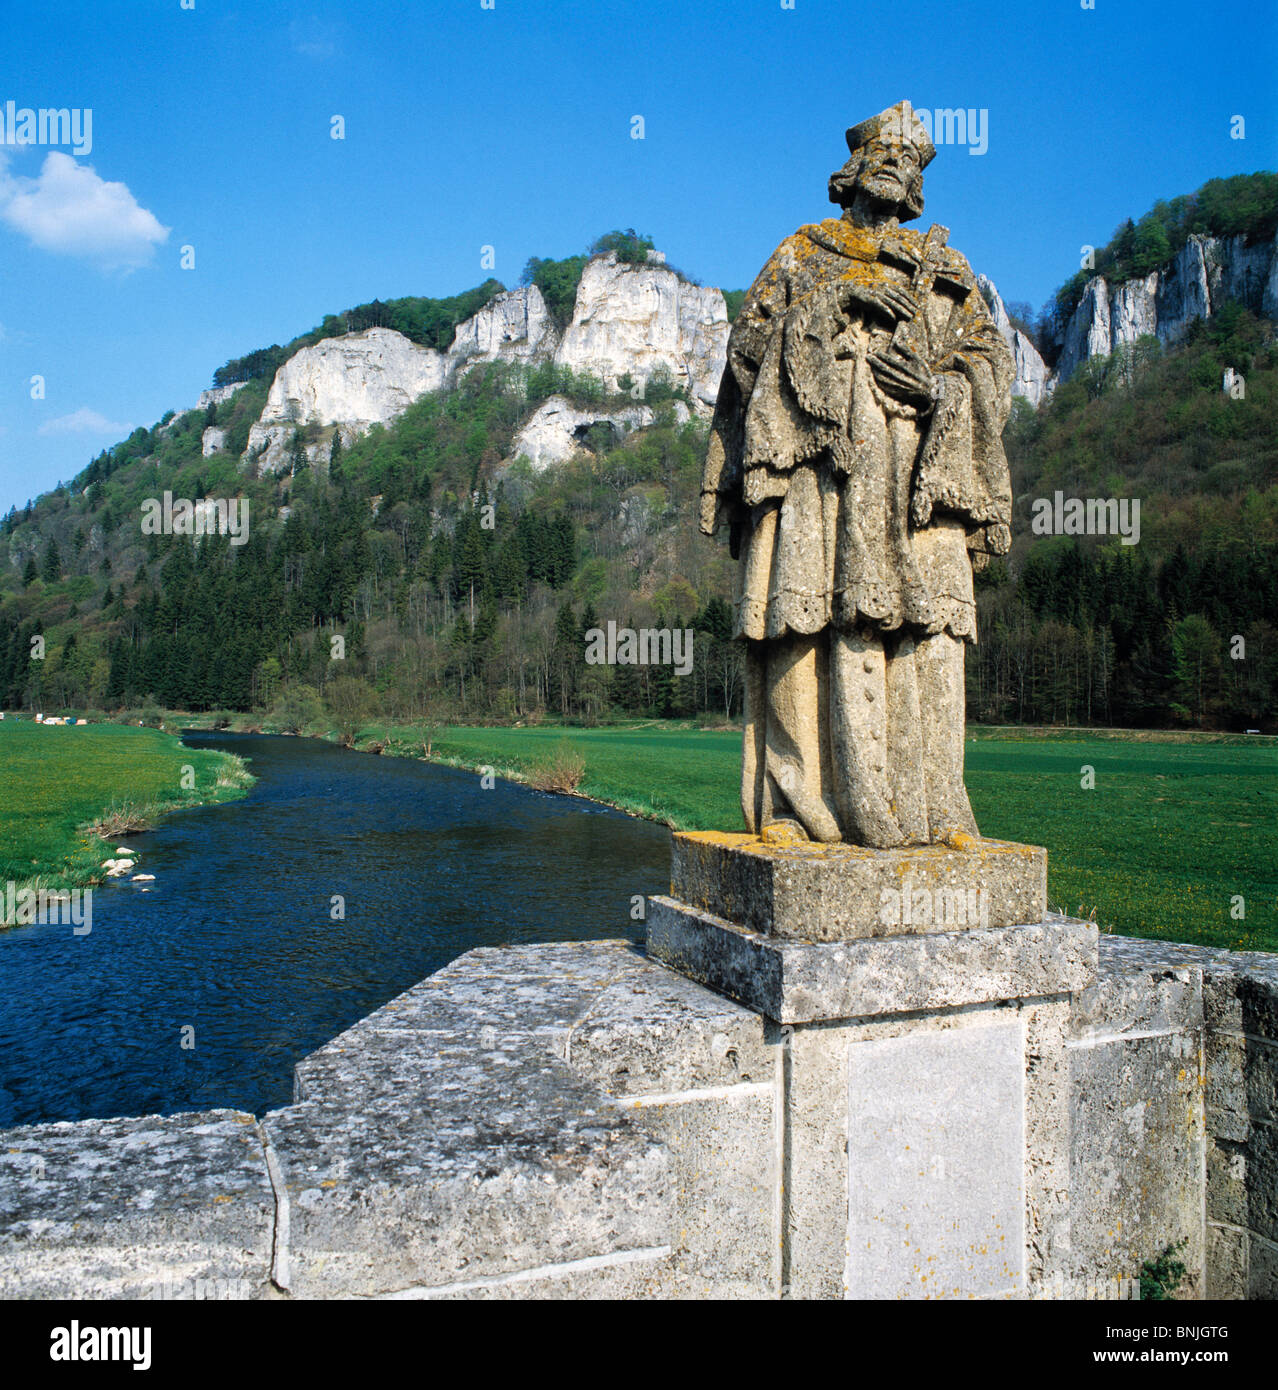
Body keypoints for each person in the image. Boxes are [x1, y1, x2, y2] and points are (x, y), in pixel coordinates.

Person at [700, 100, 1014, 847]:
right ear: (855, 167)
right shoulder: (803, 254)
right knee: (805, 623)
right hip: (823, 468)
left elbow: (991, 367)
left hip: (920, 478)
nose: (899, 165)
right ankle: (796, 805)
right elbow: (747, 356)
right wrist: (837, 299)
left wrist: (943, 391)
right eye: (888, 151)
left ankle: (936, 807)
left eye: (912, 159)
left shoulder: (949, 271)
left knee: (931, 631)